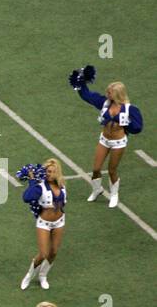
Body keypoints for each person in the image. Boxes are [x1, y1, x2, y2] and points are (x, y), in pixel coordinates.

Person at [69, 66, 144, 208]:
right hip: (104, 139)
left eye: (109, 92)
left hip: (118, 142)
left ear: (116, 94)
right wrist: (81, 83)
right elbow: (87, 96)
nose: (106, 94)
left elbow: (138, 128)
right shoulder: (104, 102)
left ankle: (114, 194)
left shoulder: (130, 109)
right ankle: (97, 189)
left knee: (111, 170)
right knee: (96, 168)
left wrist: (120, 121)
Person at [16, 161, 67, 290]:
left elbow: (62, 203)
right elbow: (27, 197)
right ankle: (29, 276)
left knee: (54, 252)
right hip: (44, 223)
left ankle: (43, 276)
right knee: (43, 254)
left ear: (57, 173)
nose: (49, 174)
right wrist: (32, 179)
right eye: (47, 171)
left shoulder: (62, 186)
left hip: (59, 221)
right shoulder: (40, 187)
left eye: (52, 172)